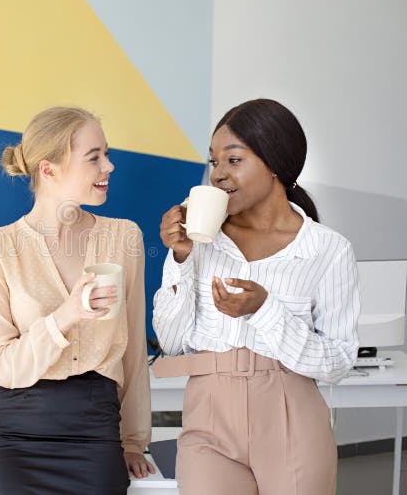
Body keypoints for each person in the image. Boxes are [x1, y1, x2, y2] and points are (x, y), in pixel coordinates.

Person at [152, 99, 359, 495]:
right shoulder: (199, 240)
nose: (219, 176)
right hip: (208, 417)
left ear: (275, 163)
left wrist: (265, 310)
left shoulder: (327, 250)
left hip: (293, 419)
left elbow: (337, 363)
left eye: (234, 160)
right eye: (214, 163)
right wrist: (181, 258)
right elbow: (172, 342)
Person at [0, 106, 153, 494]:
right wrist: (65, 316)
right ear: (49, 169)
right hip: (17, 435)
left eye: (106, 153)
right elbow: (2, 365)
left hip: (95, 427)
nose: (109, 166)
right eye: (94, 157)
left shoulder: (124, 238)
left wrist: (134, 440)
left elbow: (134, 349)